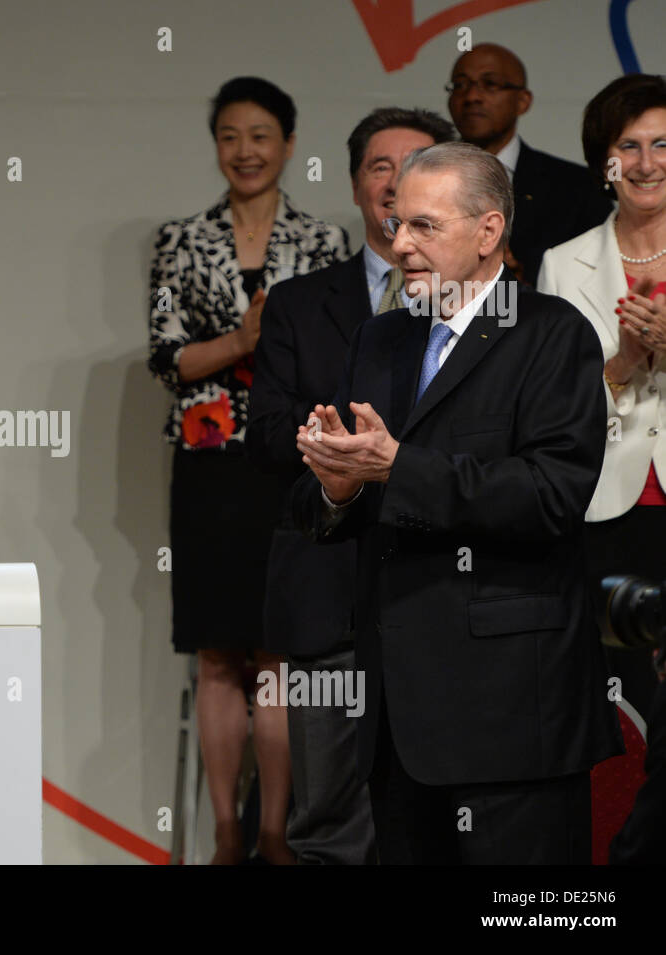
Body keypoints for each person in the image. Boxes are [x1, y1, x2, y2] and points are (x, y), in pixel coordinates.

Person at [291, 141, 623, 863]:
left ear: (488, 232)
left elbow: (552, 495)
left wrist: (398, 466)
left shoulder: (551, 334)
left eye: (423, 227)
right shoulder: (378, 341)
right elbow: (342, 494)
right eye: (395, 221)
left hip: (510, 713)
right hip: (397, 719)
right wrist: (336, 485)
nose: (398, 242)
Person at [148, 76, 349, 864]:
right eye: (230, 136)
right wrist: (244, 338)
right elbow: (168, 358)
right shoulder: (179, 238)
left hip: (290, 458)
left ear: (290, 145)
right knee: (217, 647)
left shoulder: (325, 242)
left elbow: (334, 361)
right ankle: (227, 837)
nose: (245, 151)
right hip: (207, 463)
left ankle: (276, 836)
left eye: (261, 135)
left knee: (278, 651)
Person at [249, 106, 455, 864]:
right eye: (380, 167)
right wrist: (339, 447)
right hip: (325, 584)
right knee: (329, 818)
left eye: (417, 168)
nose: (397, 184)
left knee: (434, 818)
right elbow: (264, 434)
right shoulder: (301, 302)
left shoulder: (493, 310)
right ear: (356, 184)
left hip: (440, 594)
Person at [537, 73, 666, 723]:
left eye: (662, 143)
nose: (647, 163)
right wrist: (622, 363)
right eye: (629, 146)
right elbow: (551, 402)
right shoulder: (564, 263)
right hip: (605, 503)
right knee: (622, 699)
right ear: (603, 161)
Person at [446, 42, 610, 285]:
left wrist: (526, 288)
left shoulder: (578, 189)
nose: (472, 97)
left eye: (490, 84)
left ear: (523, 101)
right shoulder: (425, 181)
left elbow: (595, 279)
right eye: (460, 85)